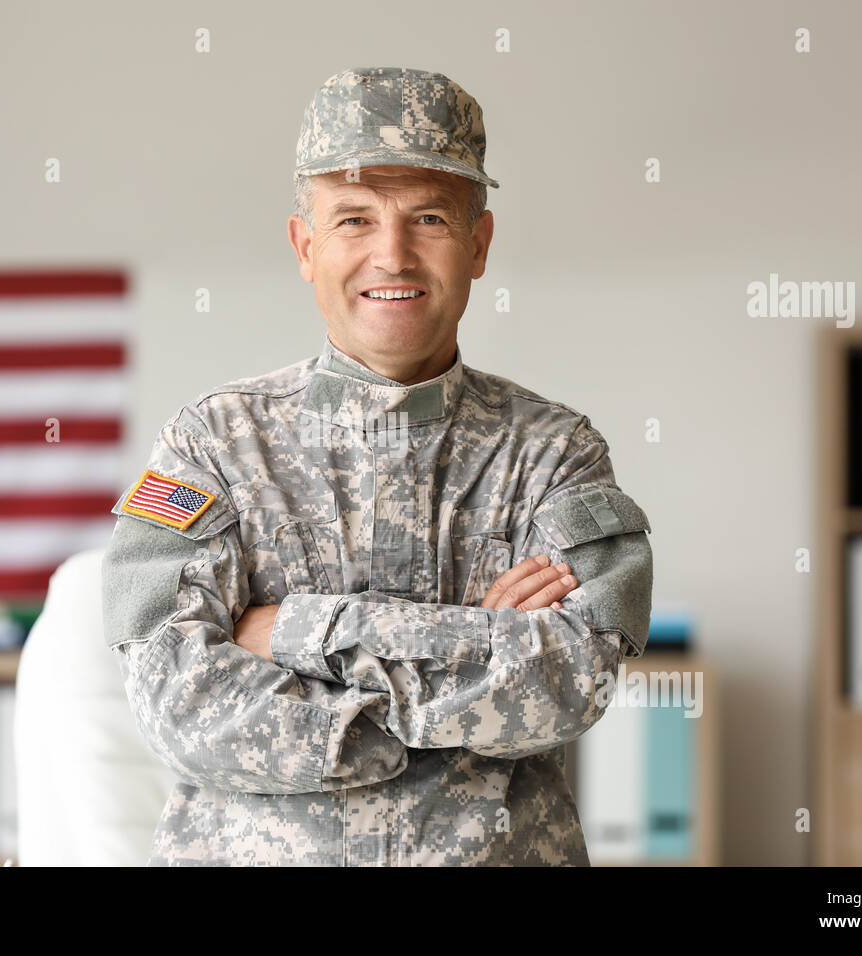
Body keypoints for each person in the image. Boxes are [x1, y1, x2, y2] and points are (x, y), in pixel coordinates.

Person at [101, 65, 654, 865]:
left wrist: (290, 629)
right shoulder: (210, 445)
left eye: (427, 217)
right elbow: (177, 702)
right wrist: (477, 642)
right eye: (354, 219)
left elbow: (569, 685)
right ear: (306, 245)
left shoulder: (555, 451)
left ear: (479, 243)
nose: (391, 256)